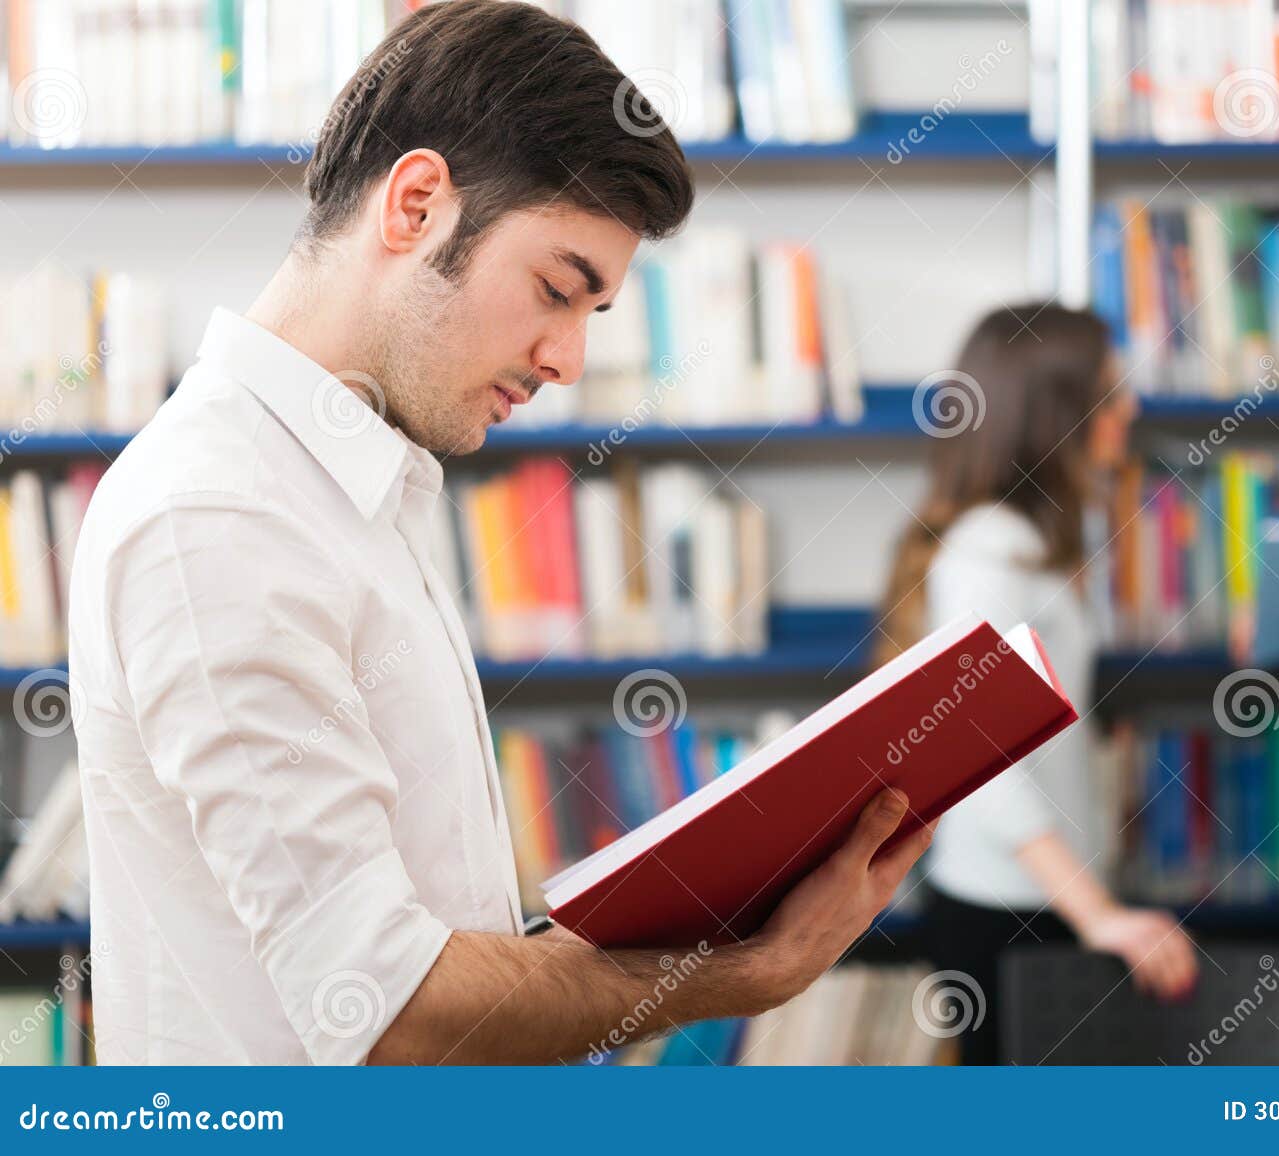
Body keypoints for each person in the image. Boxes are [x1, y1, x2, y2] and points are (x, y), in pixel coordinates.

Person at [67, 1, 935, 1066]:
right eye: (555, 291)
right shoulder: (219, 517)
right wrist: (732, 971)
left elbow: (419, 924)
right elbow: (385, 1008)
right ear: (418, 204)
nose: (566, 360)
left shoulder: (352, 480)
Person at [876, 304, 1198, 1065]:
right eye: (1112, 391)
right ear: (1059, 412)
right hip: (1004, 910)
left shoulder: (1042, 541)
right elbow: (978, 765)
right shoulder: (987, 554)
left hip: (1044, 898)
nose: (1131, 409)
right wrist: (1099, 916)